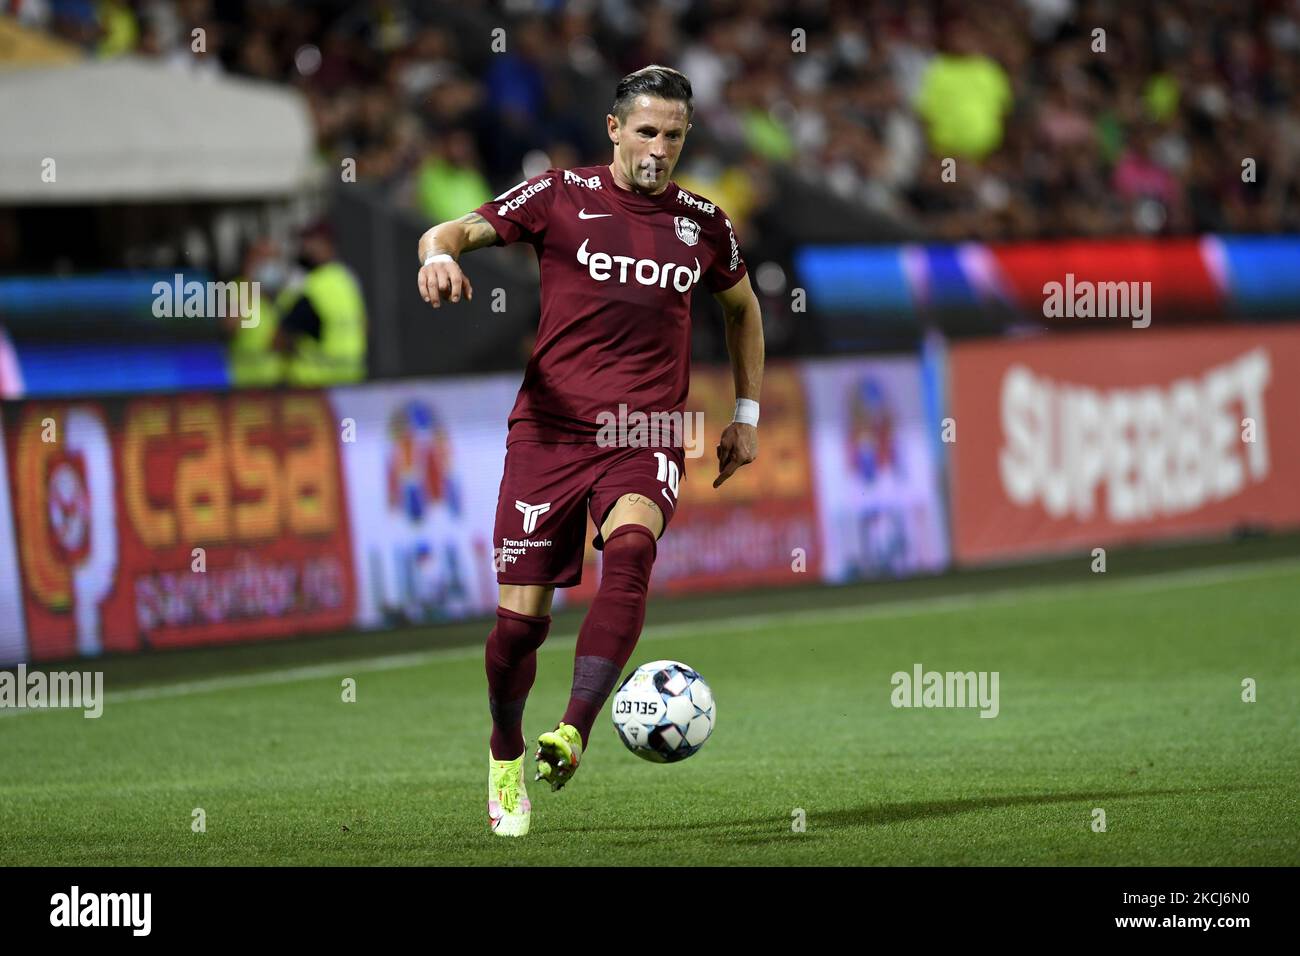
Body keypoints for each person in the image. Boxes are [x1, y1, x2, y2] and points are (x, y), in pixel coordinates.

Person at [415, 65, 765, 837]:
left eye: (674, 135)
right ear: (614, 129)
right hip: (548, 432)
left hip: (646, 431)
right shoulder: (558, 197)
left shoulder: (704, 223)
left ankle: (573, 728)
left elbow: (742, 308)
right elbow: (455, 231)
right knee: (519, 630)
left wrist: (746, 411)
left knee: (632, 547)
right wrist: (435, 257)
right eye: (646, 131)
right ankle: (506, 753)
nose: (660, 148)